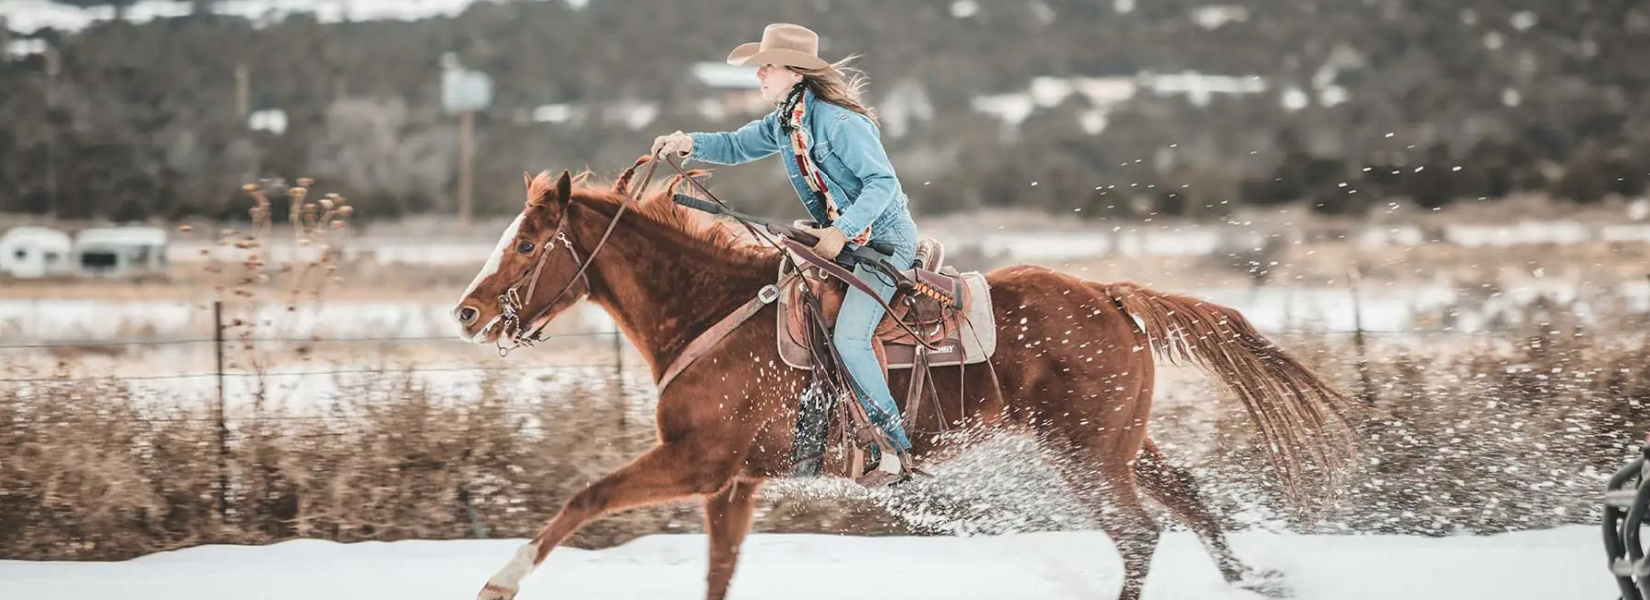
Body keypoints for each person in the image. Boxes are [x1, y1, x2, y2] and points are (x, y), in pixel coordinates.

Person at [651, 23, 920, 487]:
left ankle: (894, 450)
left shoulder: (838, 122)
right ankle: (819, 438)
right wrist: (688, 142)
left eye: (767, 66)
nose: (759, 74)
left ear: (795, 73)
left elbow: (883, 185)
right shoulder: (786, 122)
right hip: (847, 244)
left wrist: (843, 230)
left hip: (883, 245)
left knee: (851, 337)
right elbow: (736, 146)